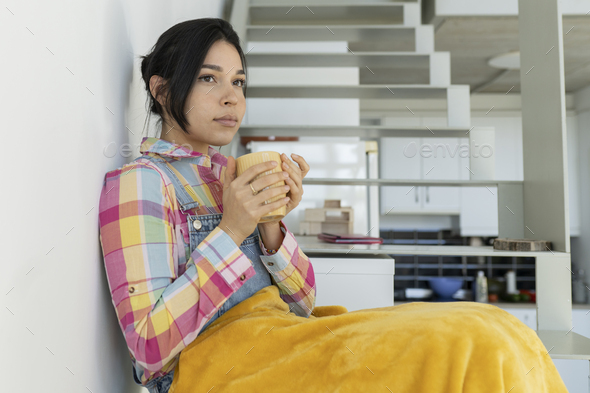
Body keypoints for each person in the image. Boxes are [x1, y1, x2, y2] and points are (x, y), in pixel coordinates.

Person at [97, 18, 316, 393]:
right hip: (216, 377)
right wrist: (230, 231)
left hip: (281, 351)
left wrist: (269, 222)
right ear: (162, 91)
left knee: (443, 333)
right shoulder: (141, 182)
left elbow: (305, 304)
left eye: (238, 82)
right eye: (208, 78)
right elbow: (149, 348)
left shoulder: (230, 176)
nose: (231, 97)